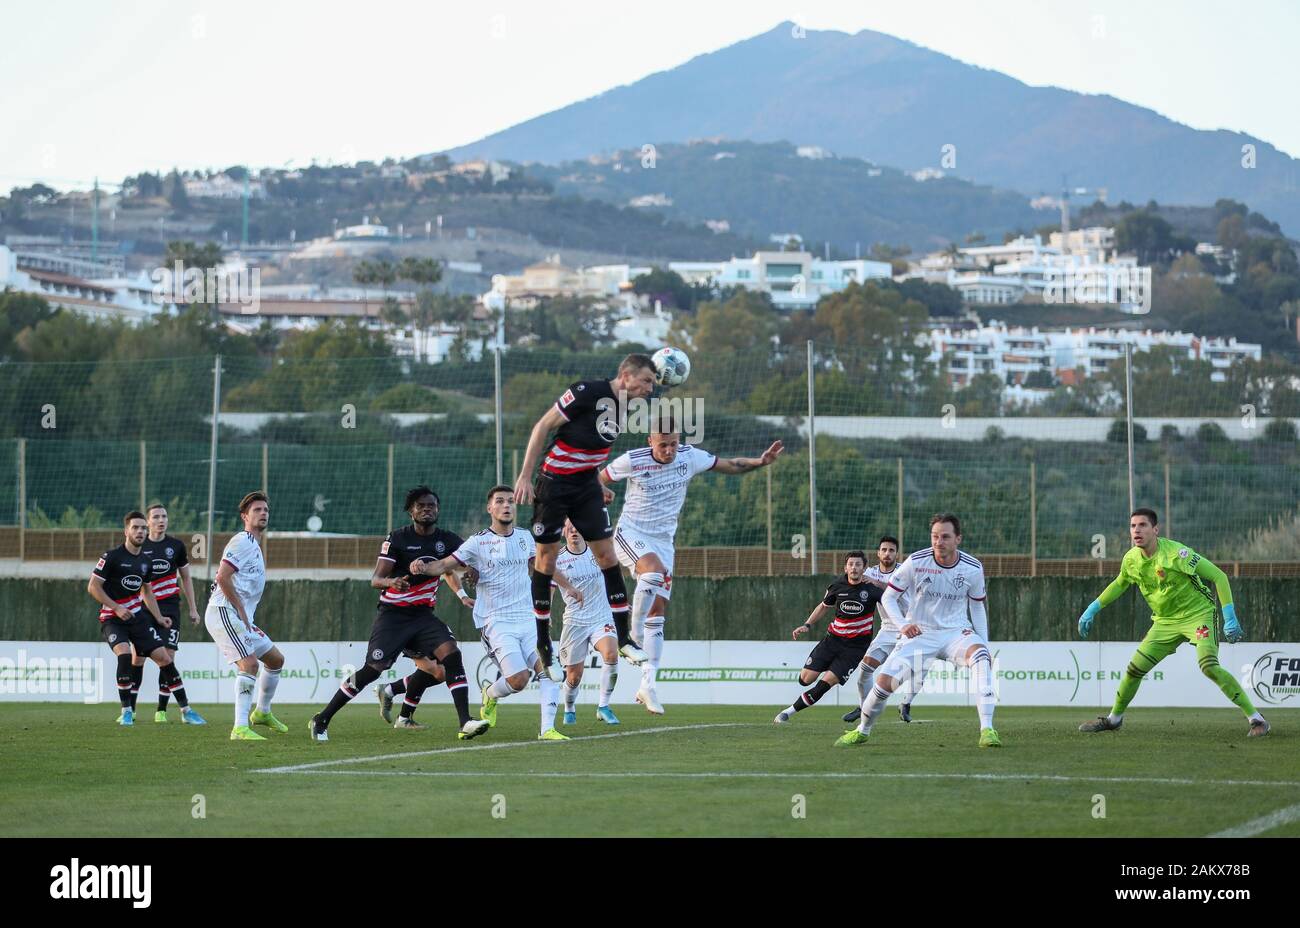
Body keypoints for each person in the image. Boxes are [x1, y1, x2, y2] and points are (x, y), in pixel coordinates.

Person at [600, 421, 782, 713]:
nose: (669, 450)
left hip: (663, 541)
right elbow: (598, 478)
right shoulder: (632, 460)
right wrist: (600, 494)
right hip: (631, 533)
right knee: (653, 573)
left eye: (673, 443)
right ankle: (630, 637)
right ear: (650, 441)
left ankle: (648, 685)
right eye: (663, 444)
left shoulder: (689, 456)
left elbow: (732, 465)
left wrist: (760, 462)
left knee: (658, 611)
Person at [309, 487, 489, 742]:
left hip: (423, 616)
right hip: (393, 616)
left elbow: (466, 560)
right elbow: (376, 579)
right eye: (421, 505)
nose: (427, 509)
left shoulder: (447, 539)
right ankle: (322, 718)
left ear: (437, 510)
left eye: (432, 505)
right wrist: (392, 582)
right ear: (411, 511)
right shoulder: (397, 539)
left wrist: (471, 569)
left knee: (451, 654)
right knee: (373, 669)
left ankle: (465, 722)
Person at [512, 354, 659, 668]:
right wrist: (525, 475)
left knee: (607, 556)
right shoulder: (586, 391)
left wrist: (597, 480)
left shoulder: (625, 406)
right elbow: (542, 426)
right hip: (554, 485)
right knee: (546, 560)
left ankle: (624, 639)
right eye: (646, 380)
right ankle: (542, 642)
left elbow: (591, 446)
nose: (649, 388)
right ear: (626, 374)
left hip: (586, 488)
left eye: (652, 383)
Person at [1077, 508, 1269, 738]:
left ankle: (1257, 719)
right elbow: (1120, 584)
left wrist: (1229, 616)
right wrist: (1093, 608)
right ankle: (1113, 720)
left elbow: (1219, 576)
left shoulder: (1177, 554)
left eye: (1142, 525)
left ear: (1155, 530)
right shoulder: (1131, 560)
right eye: (1132, 526)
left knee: (1208, 666)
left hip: (1198, 615)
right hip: (1165, 622)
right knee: (1134, 669)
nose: (1136, 530)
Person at [417, 486, 569, 741]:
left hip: (528, 619)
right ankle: (490, 694)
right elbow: (445, 565)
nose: (506, 505)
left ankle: (547, 730)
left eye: (510, 501)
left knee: (548, 669)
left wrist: (570, 587)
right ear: (490, 508)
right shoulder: (477, 541)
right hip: (496, 622)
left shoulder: (525, 538)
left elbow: (543, 567)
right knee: (519, 680)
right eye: (500, 501)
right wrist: (422, 566)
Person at [836, 513, 1000, 748]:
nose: (938, 542)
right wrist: (903, 625)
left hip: (956, 633)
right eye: (935, 536)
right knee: (882, 686)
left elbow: (977, 607)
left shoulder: (973, 568)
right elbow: (889, 597)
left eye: (945, 537)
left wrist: (984, 643)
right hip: (919, 634)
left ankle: (988, 730)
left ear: (958, 539)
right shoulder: (917, 561)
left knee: (982, 658)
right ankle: (862, 730)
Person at [89, 511, 193, 726]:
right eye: (136, 527)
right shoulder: (111, 557)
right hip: (112, 618)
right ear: (126, 531)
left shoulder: (145, 561)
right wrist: (116, 607)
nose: (140, 531)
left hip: (138, 619)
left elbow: (147, 592)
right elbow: (93, 587)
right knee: (125, 655)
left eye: (143, 528)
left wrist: (159, 617)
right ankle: (127, 711)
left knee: (165, 658)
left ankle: (186, 710)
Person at [203, 492, 287, 741]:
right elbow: (222, 577)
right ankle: (240, 728)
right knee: (249, 664)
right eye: (257, 510)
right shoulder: (242, 541)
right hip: (224, 612)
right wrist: (239, 608)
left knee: (275, 659)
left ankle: (261, 713)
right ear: (245, 517)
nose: (263, 513)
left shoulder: (254, 545)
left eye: (265, 510)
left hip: (240, 616)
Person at [775, 551, 881, 724]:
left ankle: (787, 713)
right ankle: (830, 666)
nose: (854, 568)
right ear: (845, 568)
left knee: (823, 686)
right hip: (832, 641)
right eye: (851, 564)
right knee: (804, 680)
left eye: (858, 564)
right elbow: (823, 606)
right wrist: (807, 624)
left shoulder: (872, 590)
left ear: (864, 568)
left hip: (854, 649)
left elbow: (892, 603)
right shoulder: (837, 586)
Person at [843, 536, 924, 724]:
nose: (887, 553)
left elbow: (894, 592)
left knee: (917, 669)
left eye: (891, 550)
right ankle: (864, 707)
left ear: (897, 554)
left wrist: (876, 583)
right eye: (884, 550)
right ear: (878, 553)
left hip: (909, 626)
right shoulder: (869, 571)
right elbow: (852, 577)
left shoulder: (904, 570)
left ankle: (906, 703)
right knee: (865, 669)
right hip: (887, 628)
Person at [141, 503, 205, 724]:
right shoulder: (140, 545)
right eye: (156, 517)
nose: (161, 520)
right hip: (146, 609)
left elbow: (186, 578)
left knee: (168, 657)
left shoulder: (176, 546)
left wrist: (193, 609)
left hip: (170, 608)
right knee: (137, 658)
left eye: (164, 516)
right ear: (148, 522)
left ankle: (161, 710)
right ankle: (127, 709)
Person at [553, 519, 621, 726]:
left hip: (602, 616)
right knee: (573, 677)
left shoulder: (597, 552)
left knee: (611, 654)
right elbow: (548, 590)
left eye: (577, 526)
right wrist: (543, 616)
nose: (574, 529)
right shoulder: (557, 560)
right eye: (569, 527)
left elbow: (614, 578)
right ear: (564, 531)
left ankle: (603, 706)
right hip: (575, 621)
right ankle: (570, 708)